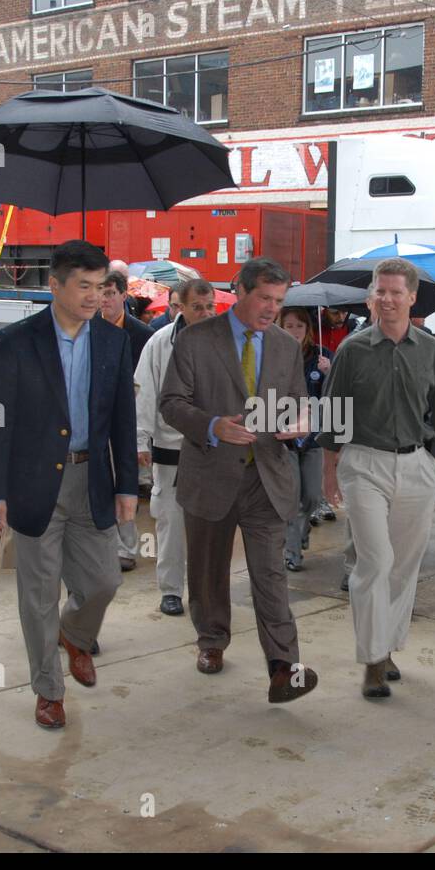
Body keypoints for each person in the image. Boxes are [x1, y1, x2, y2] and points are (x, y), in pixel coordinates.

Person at [0, 240, 137, 729]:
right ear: (55, 286)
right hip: (33, 484)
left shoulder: (113, 341)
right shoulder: (19, 341)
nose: (94, 297)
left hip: (93, 480)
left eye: (101, 287)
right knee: (38, 593)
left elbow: (124, 420)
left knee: (104, 582)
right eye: (83, 287)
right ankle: (48, 689)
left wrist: (127, 484)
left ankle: (75, 634)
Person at [159, 257, 320, 704]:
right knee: (208, 569)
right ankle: (211, 640)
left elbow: (297, 401)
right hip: (210, 474)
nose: (272, 309)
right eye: (265, 298)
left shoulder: (286, 347)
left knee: (270, 573)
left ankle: (283, 666)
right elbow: (171, 403)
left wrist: (300, 420)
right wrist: (212, 426)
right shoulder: (195, 340)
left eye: (279, 301)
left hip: (266, 476)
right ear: (241, 291)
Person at [319, 258, 435, 700]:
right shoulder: (352, 350)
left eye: (396, 292)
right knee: (374, 561)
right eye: (380, 291)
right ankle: (373, 659)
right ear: (370, 296)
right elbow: (334, 411)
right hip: (364, 465)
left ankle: (389, 646)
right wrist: (329, 468)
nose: (387, 299)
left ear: (412, 298)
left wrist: (432, 461)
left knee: (404, 565)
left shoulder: (430, 350)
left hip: (415, 465)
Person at [134, 279, 218, 616]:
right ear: (179, 307)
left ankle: (207, 588)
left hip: (212, 447)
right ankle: (171, 589)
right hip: (171, 448)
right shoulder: (159, 343)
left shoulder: (223, 342)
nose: (205, 312)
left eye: (210, 306)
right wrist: (141, 438)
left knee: (211, 524)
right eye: (197, 306)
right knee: (170, 521)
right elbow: (143, 392)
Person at [101, 271, 154, 571]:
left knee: (127, 483)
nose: (105, 300)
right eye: (101, 293)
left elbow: (147, 387)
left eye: (110, 293)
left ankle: (126, 548)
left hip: (129, 422)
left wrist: (143, 435)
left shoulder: (141, 336)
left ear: (123, 295)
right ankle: (102, 546)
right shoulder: (87, 330)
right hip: (96, 421)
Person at [277, 306, 332, 572]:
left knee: (310, 497)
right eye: (289, 325)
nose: (295, 331)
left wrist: (329, 372)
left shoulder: (322, 357)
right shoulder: (274, 354)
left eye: (300, 326)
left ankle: (302, 529)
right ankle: (292, 552)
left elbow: (337, 396)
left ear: (308, 329)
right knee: (292, 496)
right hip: (284, 438)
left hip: (313, 439)